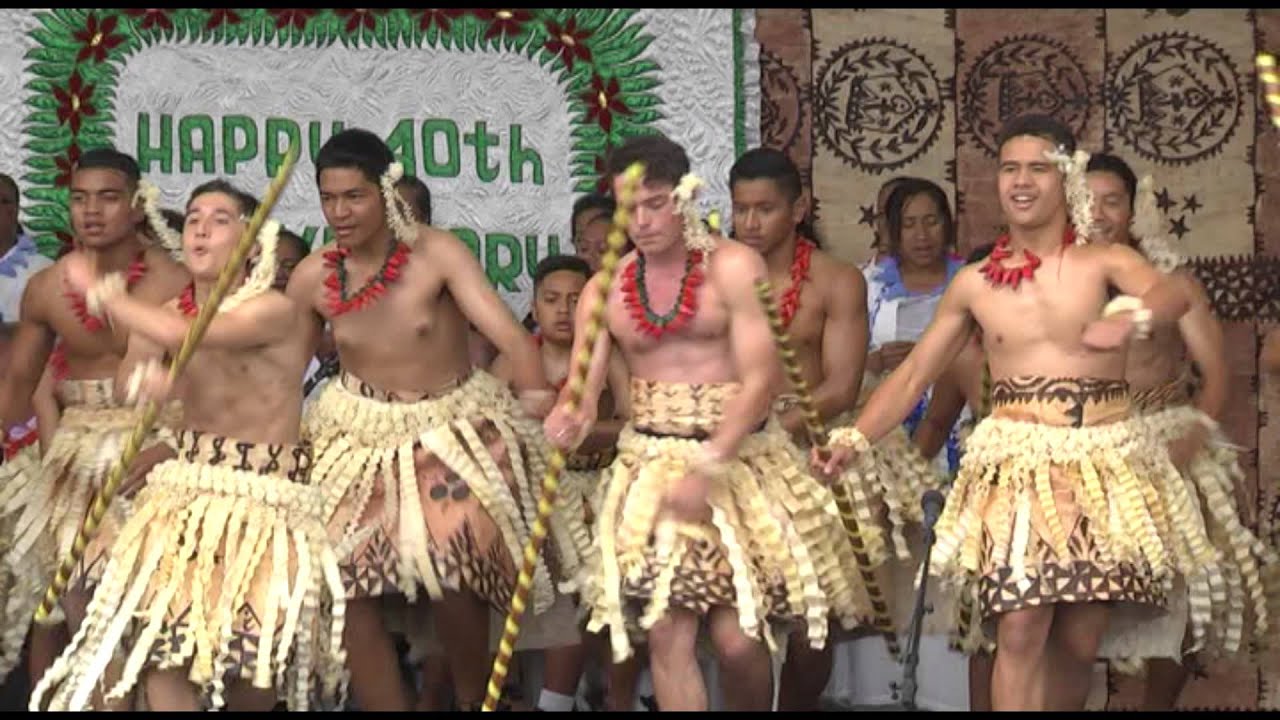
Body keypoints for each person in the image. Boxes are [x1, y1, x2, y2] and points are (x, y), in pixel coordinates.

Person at [814, 114, 1204, 711]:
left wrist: (1130, 317)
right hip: (1018, 465)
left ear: (1065, 177)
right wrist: (854, 439)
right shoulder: (974, 283)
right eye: (1009, 169)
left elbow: (1174, 292)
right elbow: (915, 372)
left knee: (1078, 639)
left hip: (1100, 465)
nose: (1021, 182)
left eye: (1038, 169)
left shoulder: (1102, 263)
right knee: (1019, 626)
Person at [544, 133, 867, 711]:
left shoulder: (735, 267)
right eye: (628, 208)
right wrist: (569, 416)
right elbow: (583, 391)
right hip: (650, 466)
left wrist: (711, 460)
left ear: (686, 196)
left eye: (655, 203)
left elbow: (761, 380)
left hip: (737, 462)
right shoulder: (604, 289)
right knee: (668, 631)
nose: (641, 221)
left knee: (740, 642)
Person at [31, 179, 346, 711]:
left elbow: (195, 335)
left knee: (250, 673)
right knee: (163, 658)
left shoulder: (273, 310)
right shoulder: (165, 315)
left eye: (220, 219)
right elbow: (138, 379)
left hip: (262, 507)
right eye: (195, 216)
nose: (199, 226)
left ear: (250, 241)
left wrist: (106, 292)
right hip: (184, 501)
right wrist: (147, 387)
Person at [286, 128, 563, 711]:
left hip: (452, 427)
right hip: (354, 435)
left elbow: (512, 338)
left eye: (354, 197)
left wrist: (538, 397)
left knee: (449, 554)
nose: (339, 212)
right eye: (328, 198)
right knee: (338, 576)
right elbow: (280, 372)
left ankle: (474, 700)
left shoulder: (435, 253)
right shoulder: (314, 276)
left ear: (386, 193)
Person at [729, 148, 928, 711]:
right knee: (736, 613)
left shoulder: (835, 281)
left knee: (807, 612)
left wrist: (769, 428)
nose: (750, 223)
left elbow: (842, 387)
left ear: (799, 208)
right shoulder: (716, 277)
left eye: (764, 209)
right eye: (740, 209)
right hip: (734, 448)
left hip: (807, 451)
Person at [1083, 153, 1279, 709]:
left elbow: (1216, 374)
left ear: (1134, 208)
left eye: (1112, 201)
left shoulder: (1172, 282)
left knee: (1181, 594)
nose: (1099, 214)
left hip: (1162, 437)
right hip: (1082, 446)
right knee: (1076, 599)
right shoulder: (1056, 282)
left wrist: (1192, 433)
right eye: (1088, 200)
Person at [0, 149, 189, 687]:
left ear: (135, 205)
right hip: (76, 457)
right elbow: (16, 387)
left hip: (161, 450)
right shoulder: (47, 288)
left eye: (107, 197)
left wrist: (169, 450)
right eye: (80, 198)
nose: (91, 211)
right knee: (86, 618)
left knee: (158, 624)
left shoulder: (176, 281)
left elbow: (216, 385)